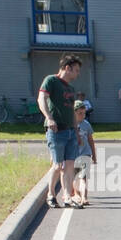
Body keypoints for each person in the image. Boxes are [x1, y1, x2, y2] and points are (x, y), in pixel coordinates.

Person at [38, 53, 81, 208]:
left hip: (70, 131)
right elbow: (41, 99)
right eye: (76, 70)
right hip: (56, 130)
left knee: (70, 165)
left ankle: (68, 197)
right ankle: (50, 195)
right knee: (57, 166)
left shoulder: (70, 88)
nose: (78, 74)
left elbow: (72, 112)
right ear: (67, 68)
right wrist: (49, 118)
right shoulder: (51, 80)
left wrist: (76, 131)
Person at [71, 100, 95, 207]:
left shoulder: (86, 125)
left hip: (85, 154)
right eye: (80, 113)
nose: (82, 115)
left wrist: (94, 155)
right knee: (75, 177)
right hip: (74, 155)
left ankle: (84, 197)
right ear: (74, 113)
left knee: (83, 177)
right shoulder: (70, 125)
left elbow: (91, 140)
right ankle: (76, 194)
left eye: (84, 113)